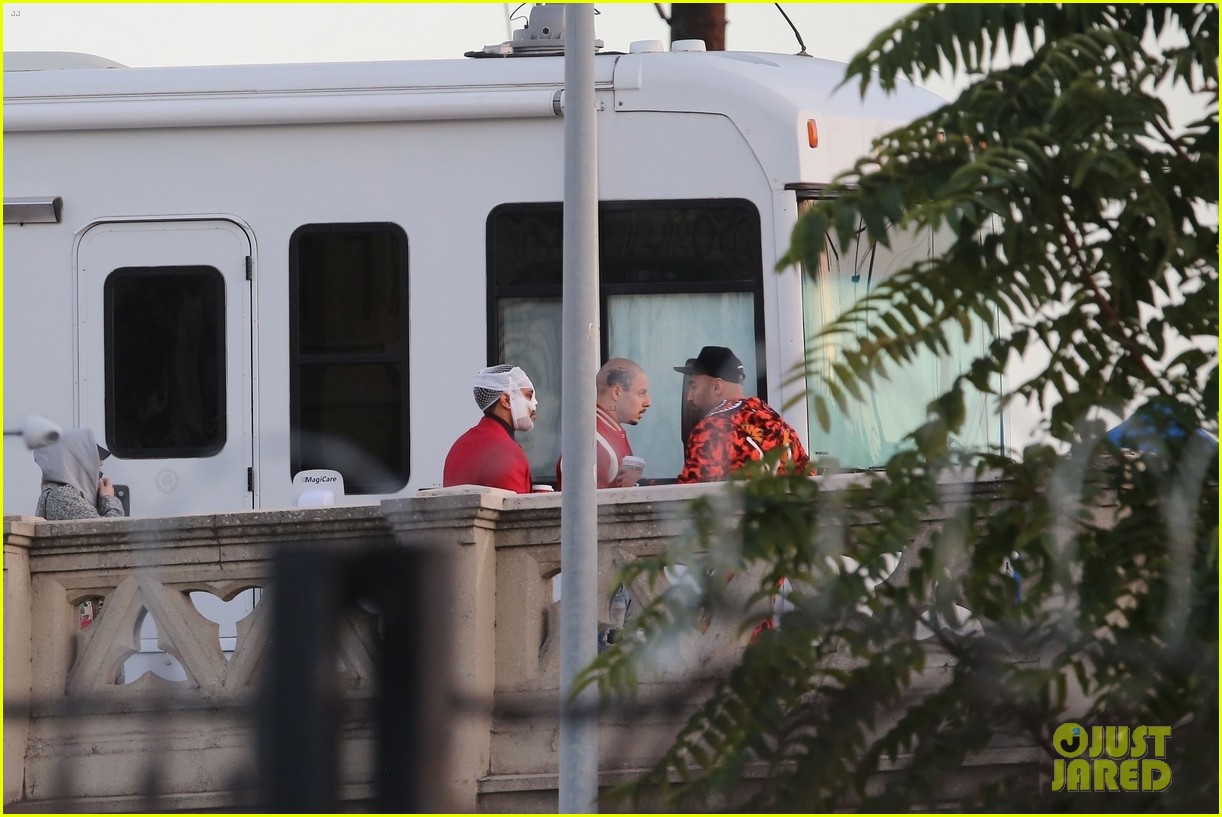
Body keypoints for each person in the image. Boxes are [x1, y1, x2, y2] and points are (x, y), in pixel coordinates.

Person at [674, 345, 809, 483]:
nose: (689, 397)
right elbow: (809, 479)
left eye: (693, 386)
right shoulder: (779, 425)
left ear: (716, 387)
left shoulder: (712, 430)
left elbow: (689, 496)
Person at [556, 358, 652, 489]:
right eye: (641, 393)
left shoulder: (608, 432)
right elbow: (589, 507)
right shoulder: (592, 443)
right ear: (617, 392)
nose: (648, 402)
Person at [442, 364, 537, 493]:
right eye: (529, 396)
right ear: (506, 400)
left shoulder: (461, 444)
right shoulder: (505, 451)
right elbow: (514, 509)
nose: (535, 403)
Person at [33, 427, 125, 519]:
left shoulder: (63, 493)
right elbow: (112, 530)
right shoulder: (63, 497)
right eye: (92, 457)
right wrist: (108, 498)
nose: (101, 463)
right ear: (73, 462)